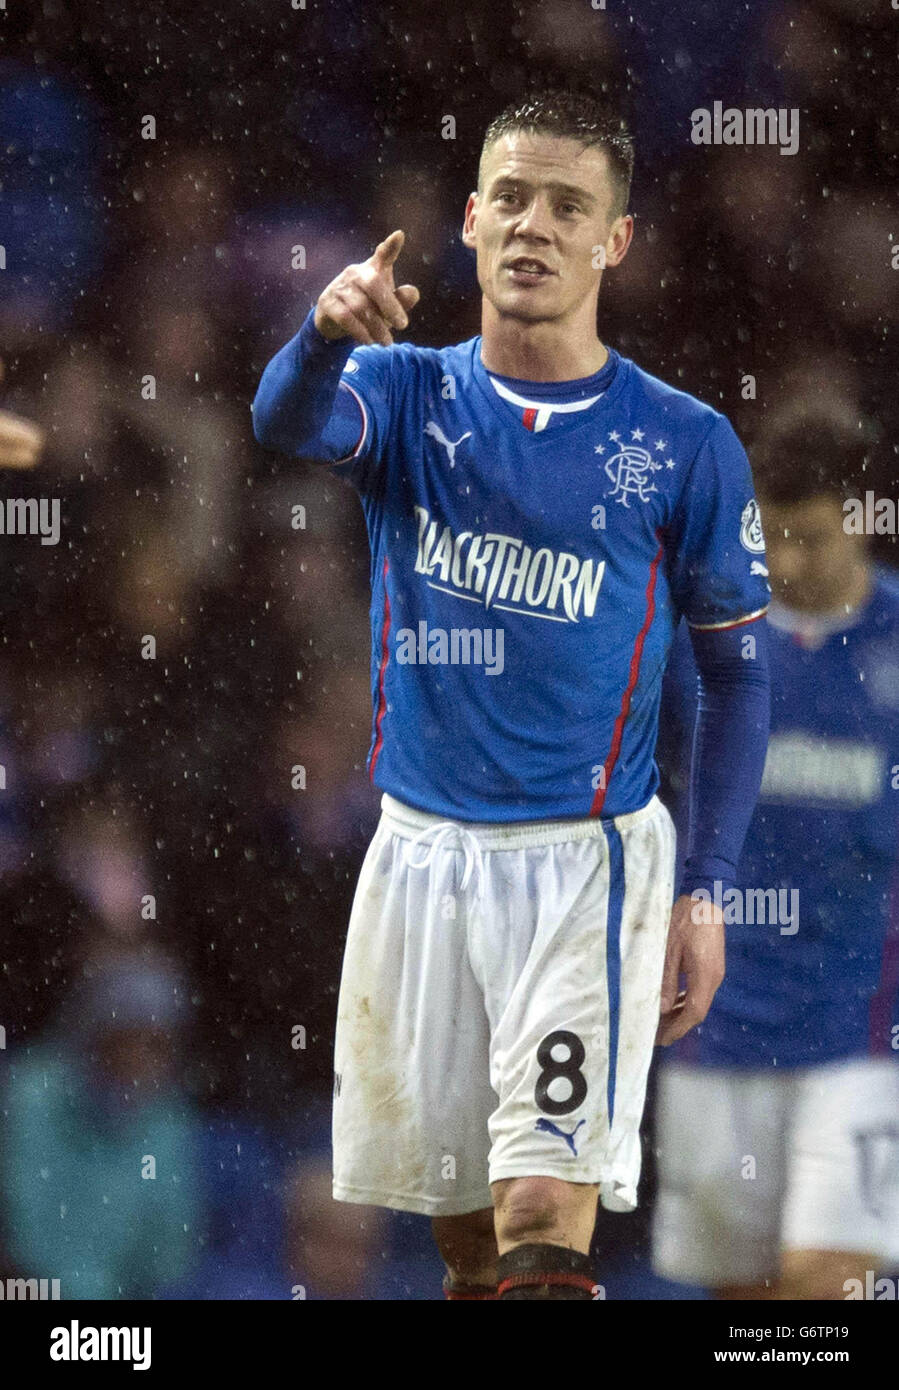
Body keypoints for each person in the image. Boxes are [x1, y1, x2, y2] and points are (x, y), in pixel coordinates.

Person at [252, 89, 770, 1301]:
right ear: (472, 221)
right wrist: (321, 327)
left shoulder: (680, 442)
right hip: (419, 857)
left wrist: (708, 887)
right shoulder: (405, 392)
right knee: (469, 1245)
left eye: (569, 206)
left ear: (614, 242)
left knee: (545, 1212)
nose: (535, 227)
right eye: (514, 200)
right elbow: (284, 419)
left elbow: (736, 673)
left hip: (584, 865)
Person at [652, 408, 899, 1300]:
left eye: (812, 538)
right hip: (716, 1021)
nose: (788, 563)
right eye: (773, 535)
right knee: (747, 1302)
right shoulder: (700, 646)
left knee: (827, 1285)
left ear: (866, 520)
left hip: (863, 1031)